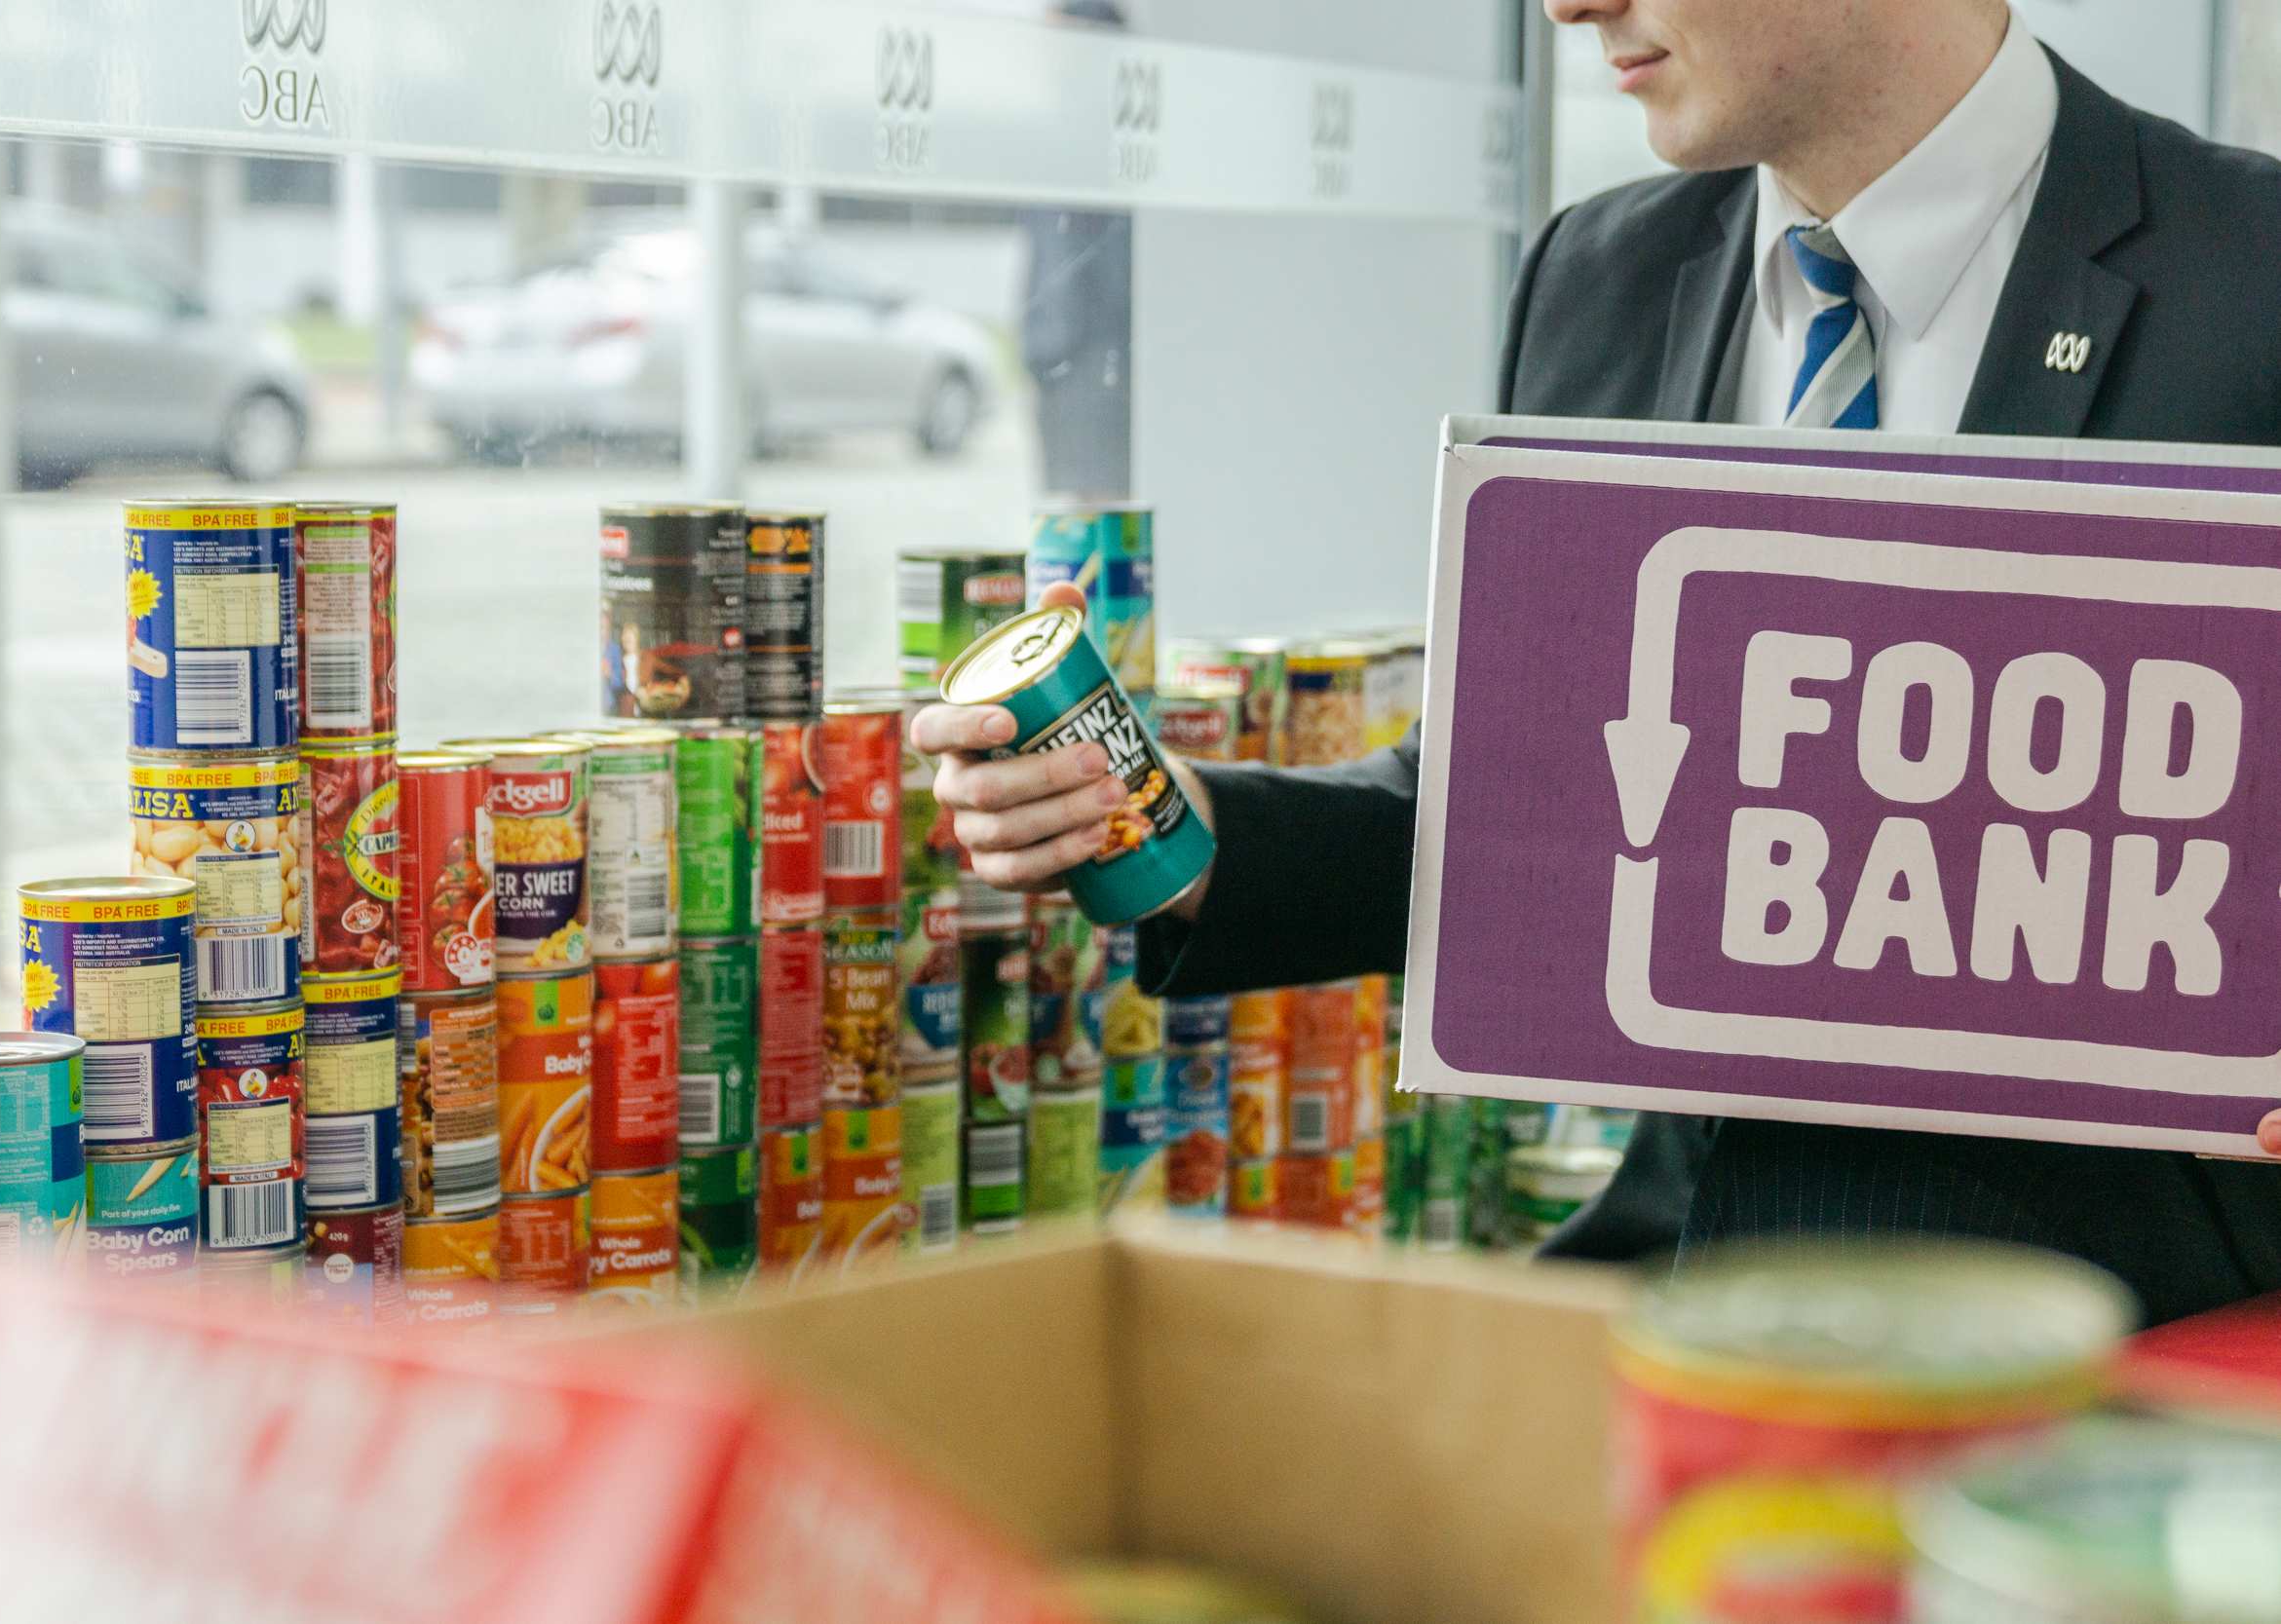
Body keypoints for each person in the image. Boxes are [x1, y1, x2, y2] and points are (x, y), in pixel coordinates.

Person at [915, 0, 2281, 1327]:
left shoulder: (2254, 269)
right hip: (1676, 1297)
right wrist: (1184, 830)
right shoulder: (1604, 275)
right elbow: (1542, 806)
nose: (1571, 6)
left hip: (2127, 1332)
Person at [1021, 1, 1135, 498]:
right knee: (1076, 509)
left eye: (1059, 42)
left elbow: (1094, 260)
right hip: (1065, 360)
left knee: (1099, 507)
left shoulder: (1106, 137)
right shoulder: (1059, 134)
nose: (1048, 58)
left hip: (1094, 360)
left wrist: (1061, 348)